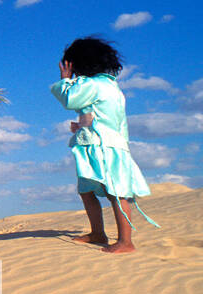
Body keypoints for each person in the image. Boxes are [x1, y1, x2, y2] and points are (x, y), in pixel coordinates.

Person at [50, 36, 157, 255]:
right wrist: (81, 125)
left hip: (102, 147)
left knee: (115, 193)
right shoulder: (111, 87)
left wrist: (65, 80)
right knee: (87, 190)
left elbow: (70, 99)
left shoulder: (93, 84)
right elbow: (104, 117)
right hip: (103, 144)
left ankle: (126, 242)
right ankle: (98, 233)